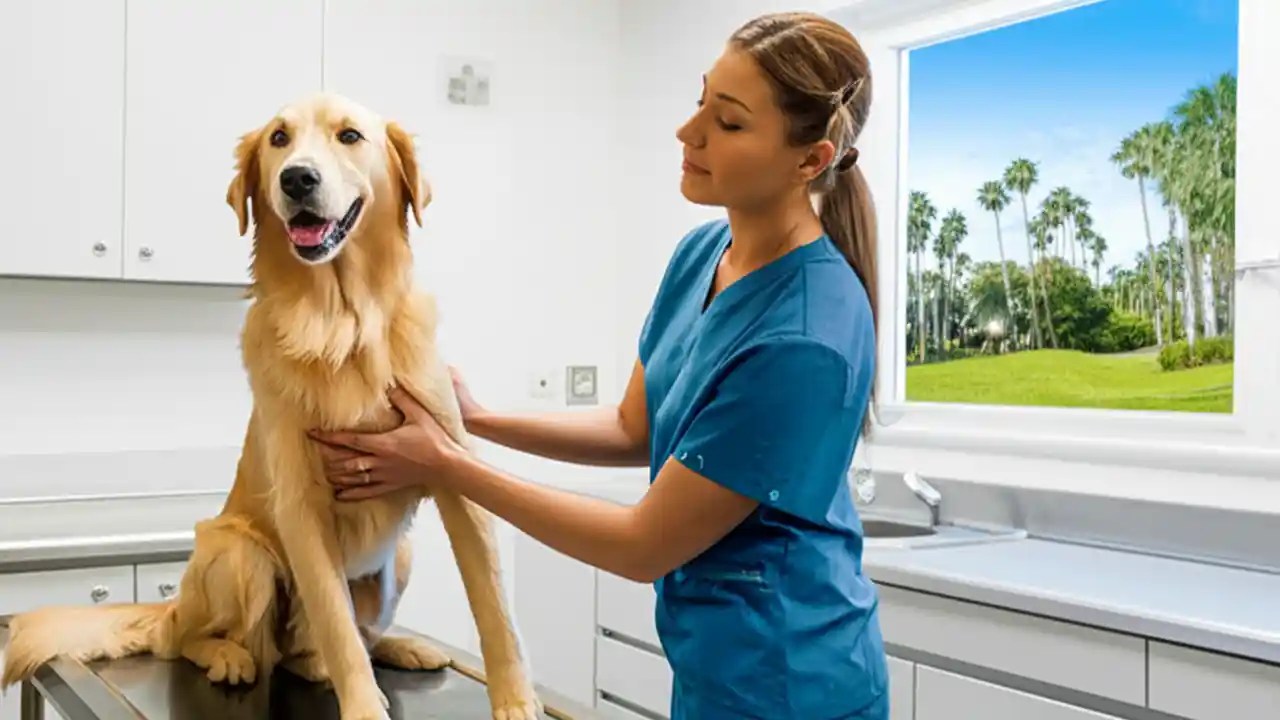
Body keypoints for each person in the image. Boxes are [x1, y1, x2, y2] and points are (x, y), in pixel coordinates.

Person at [309, 11, 888, 719]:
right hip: (712, 665)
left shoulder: (806, 337)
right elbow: (631, 428)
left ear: (811, 160)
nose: (689, 132)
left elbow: (643, 545)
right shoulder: (702, 256)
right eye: (701, 99)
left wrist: (447, 464)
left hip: (793, 681)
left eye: (729, 123)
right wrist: (480, 420)